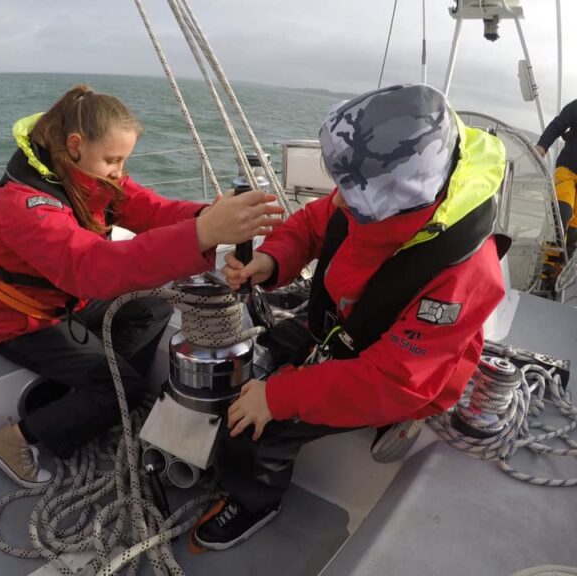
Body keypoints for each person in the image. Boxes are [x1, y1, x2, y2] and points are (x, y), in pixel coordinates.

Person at [192, 84, 508, 550]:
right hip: (338, 331)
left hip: (402, 377)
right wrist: (271, 262)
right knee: (253, 361)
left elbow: (393, 380)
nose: (338, 201)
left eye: (355, 198)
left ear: (405, 199)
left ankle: (255, 499)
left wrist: (278, 398)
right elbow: (313, 223)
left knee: (260, 428)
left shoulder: (466, 273)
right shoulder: (380, 199)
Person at [0, 84, 283, 488]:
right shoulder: (20, 203)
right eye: (113, 159)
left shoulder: (87, 175)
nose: (120, 171)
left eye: (124, 160)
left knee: (153, 306)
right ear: (74, 146)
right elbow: (90, 267)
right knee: (119, 388)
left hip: (71, 303)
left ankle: (102, 393)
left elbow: (148, 208)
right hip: (24, 318)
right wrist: (201, 234)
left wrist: (208, 215)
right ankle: (15, 438)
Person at [536, 99, 577, 284]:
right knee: (561, 214)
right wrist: (542, 145)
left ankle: (559, 276)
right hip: (568, 169)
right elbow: (559, 124)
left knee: (574, 233)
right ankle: (546, 271)